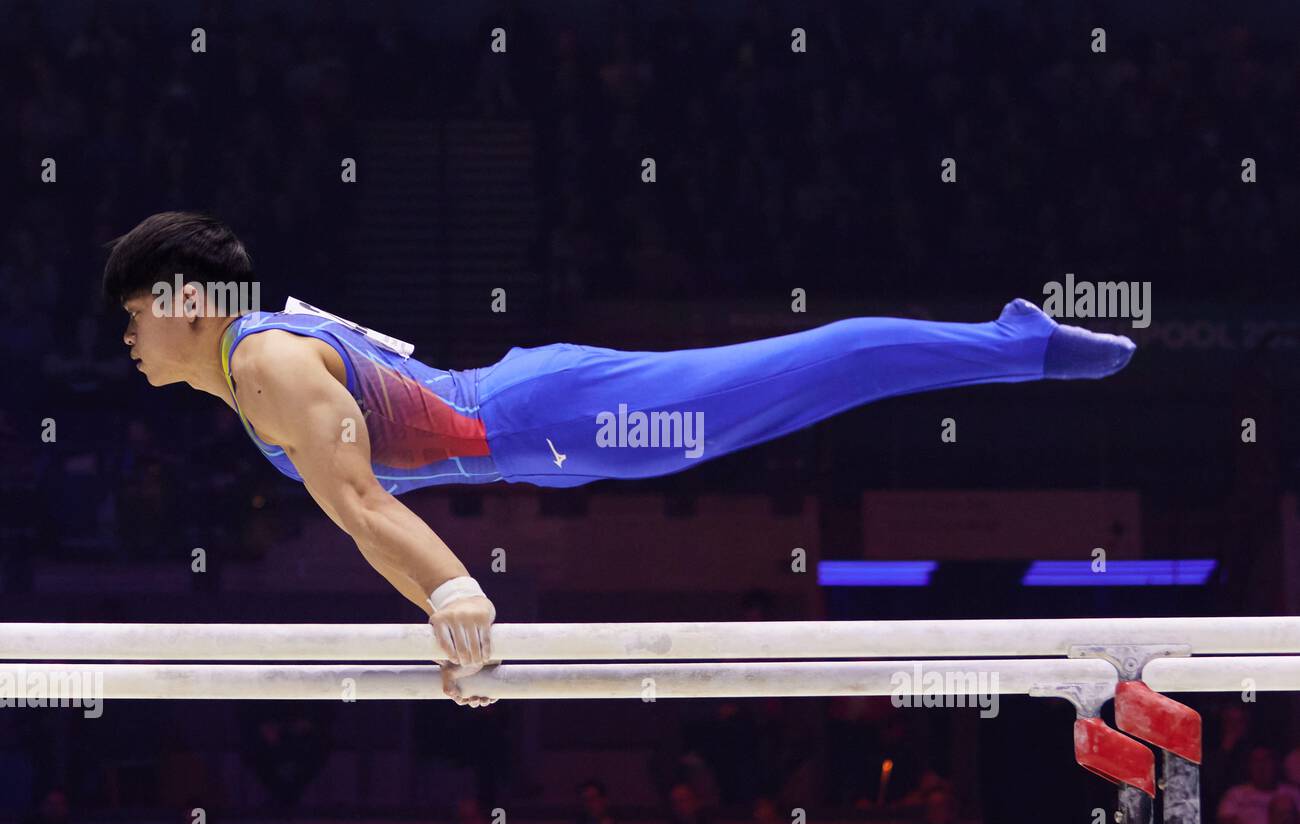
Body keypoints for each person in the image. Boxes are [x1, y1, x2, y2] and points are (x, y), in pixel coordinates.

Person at [106, 212, 1135, 707]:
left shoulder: (270, 363)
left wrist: (456, 593)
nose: (127, 337)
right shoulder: (251, 382)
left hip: (551, 414)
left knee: (800, 378)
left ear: (186, 299)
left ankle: (1015, 342)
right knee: (787, 395)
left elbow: (364, 501)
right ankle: (1008, 344)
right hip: (547, 444)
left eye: (133, 313)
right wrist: (449, 626)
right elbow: (366, 512)